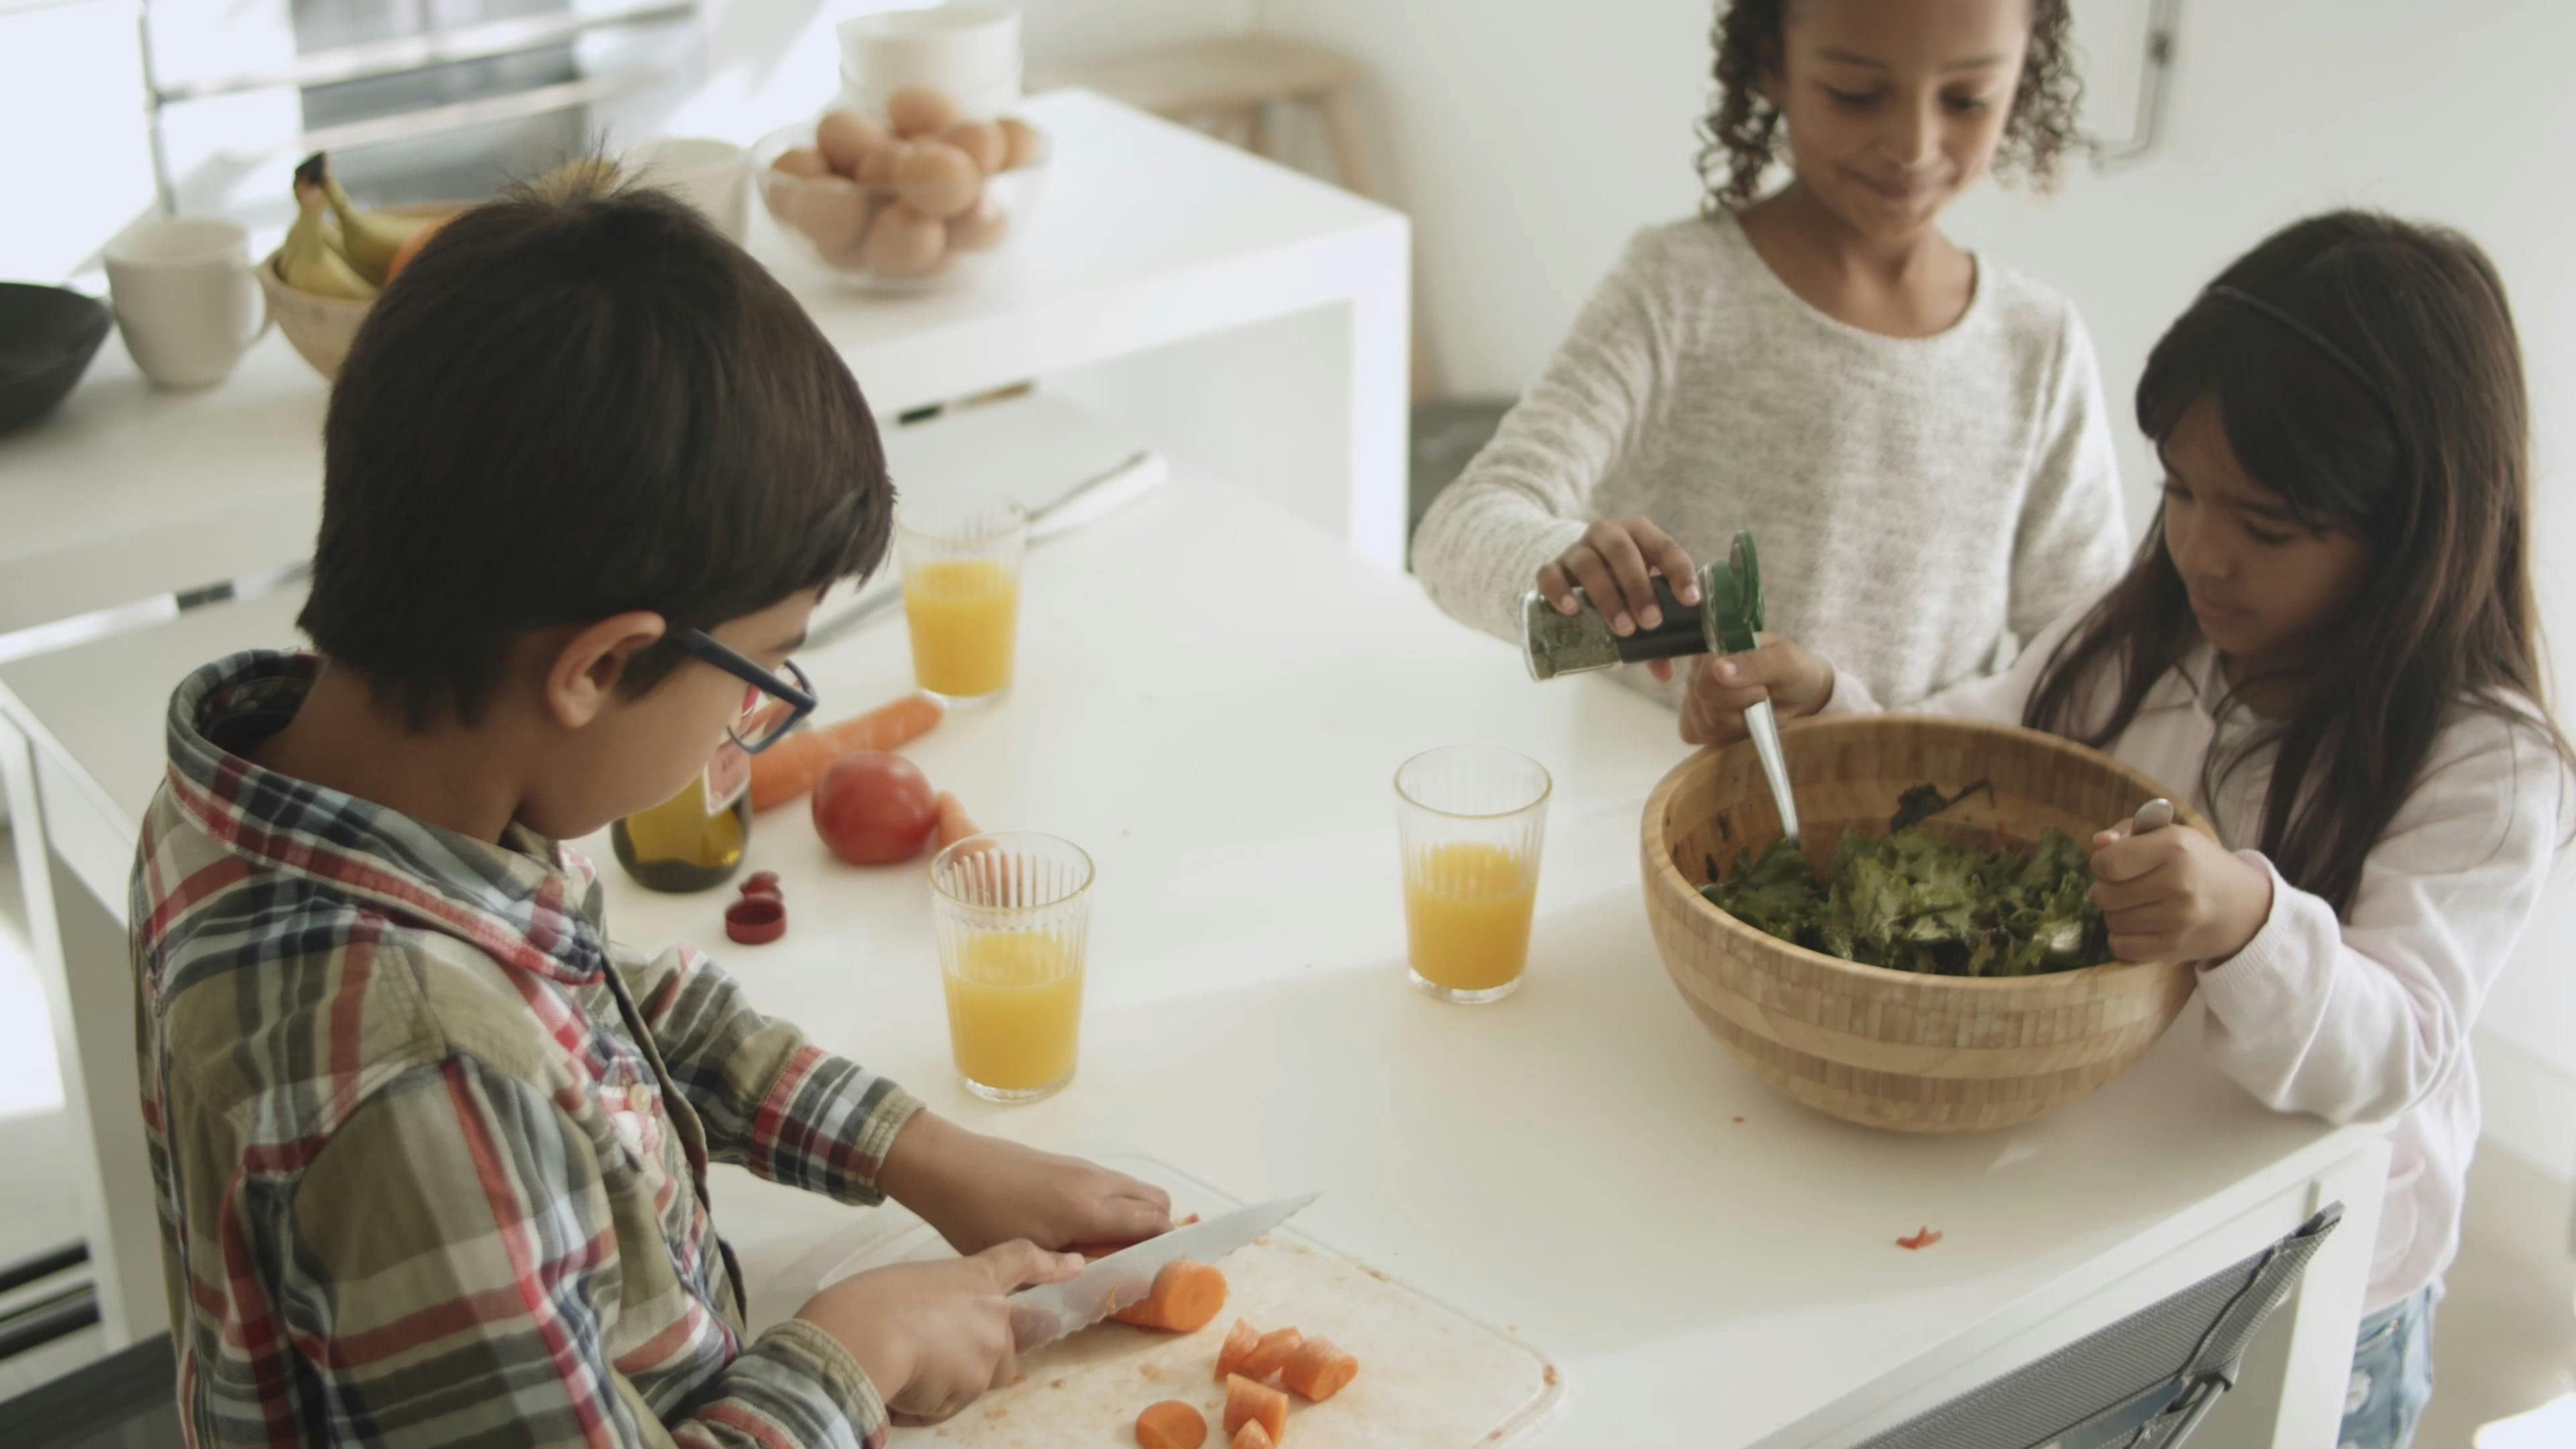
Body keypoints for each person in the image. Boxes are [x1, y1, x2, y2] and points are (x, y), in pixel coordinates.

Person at [129, 175, 1174, 1446]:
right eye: (765, 669)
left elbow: (604, 1009)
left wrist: (915, 1152)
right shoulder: (424, 1086)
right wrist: (850, 1354)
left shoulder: (316, 790)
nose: (766, 711)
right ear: (600, 669)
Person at [1686, 211, 2573, 1449]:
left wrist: (2247, 921)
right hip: (2114, 1212)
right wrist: (1831, 717)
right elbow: (1986, 761)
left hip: (2317, 1281)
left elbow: (2396, 1051)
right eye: (2181, 491)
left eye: (2267, 528)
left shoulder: (2488, 761)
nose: (2201, 552)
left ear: (2412, 534)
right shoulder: (2152, 625)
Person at [1411, 0, 2127, 709]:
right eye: (1856, 94)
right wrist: (1565, 565)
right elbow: (1456, 534)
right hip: (1643, 794)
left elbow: (2089, 654)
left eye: (1967, 99)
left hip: (1904, 810)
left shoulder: (2037, 344)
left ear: (2024, 77)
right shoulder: (1678, 288)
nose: (1913, 143)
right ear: (1772, 63)